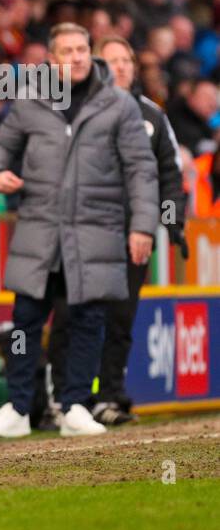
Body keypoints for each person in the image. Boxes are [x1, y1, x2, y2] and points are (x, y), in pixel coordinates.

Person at [0, 23, 158, 438]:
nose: (76, 57)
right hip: (40, 229)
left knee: (88, 320)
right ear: (52, 59)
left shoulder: (119, 104)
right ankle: (18, 407)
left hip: (96, 230)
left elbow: (141, 171)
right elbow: (1, 145)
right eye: (66, 51)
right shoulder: (29, 102)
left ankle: (74, 403)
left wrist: (144, 226)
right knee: (24, 321)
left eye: (82, 49)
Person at [46, 36, 186, 425]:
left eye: (127, 60)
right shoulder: (71, 109)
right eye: (113, 60)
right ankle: (63, 399)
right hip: (78, 232)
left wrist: (172, 222)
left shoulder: (153, 116)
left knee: (120, 318)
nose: (122, 67)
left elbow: (169, 176)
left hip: (132, 234)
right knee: (67, 314)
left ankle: (107, 396)